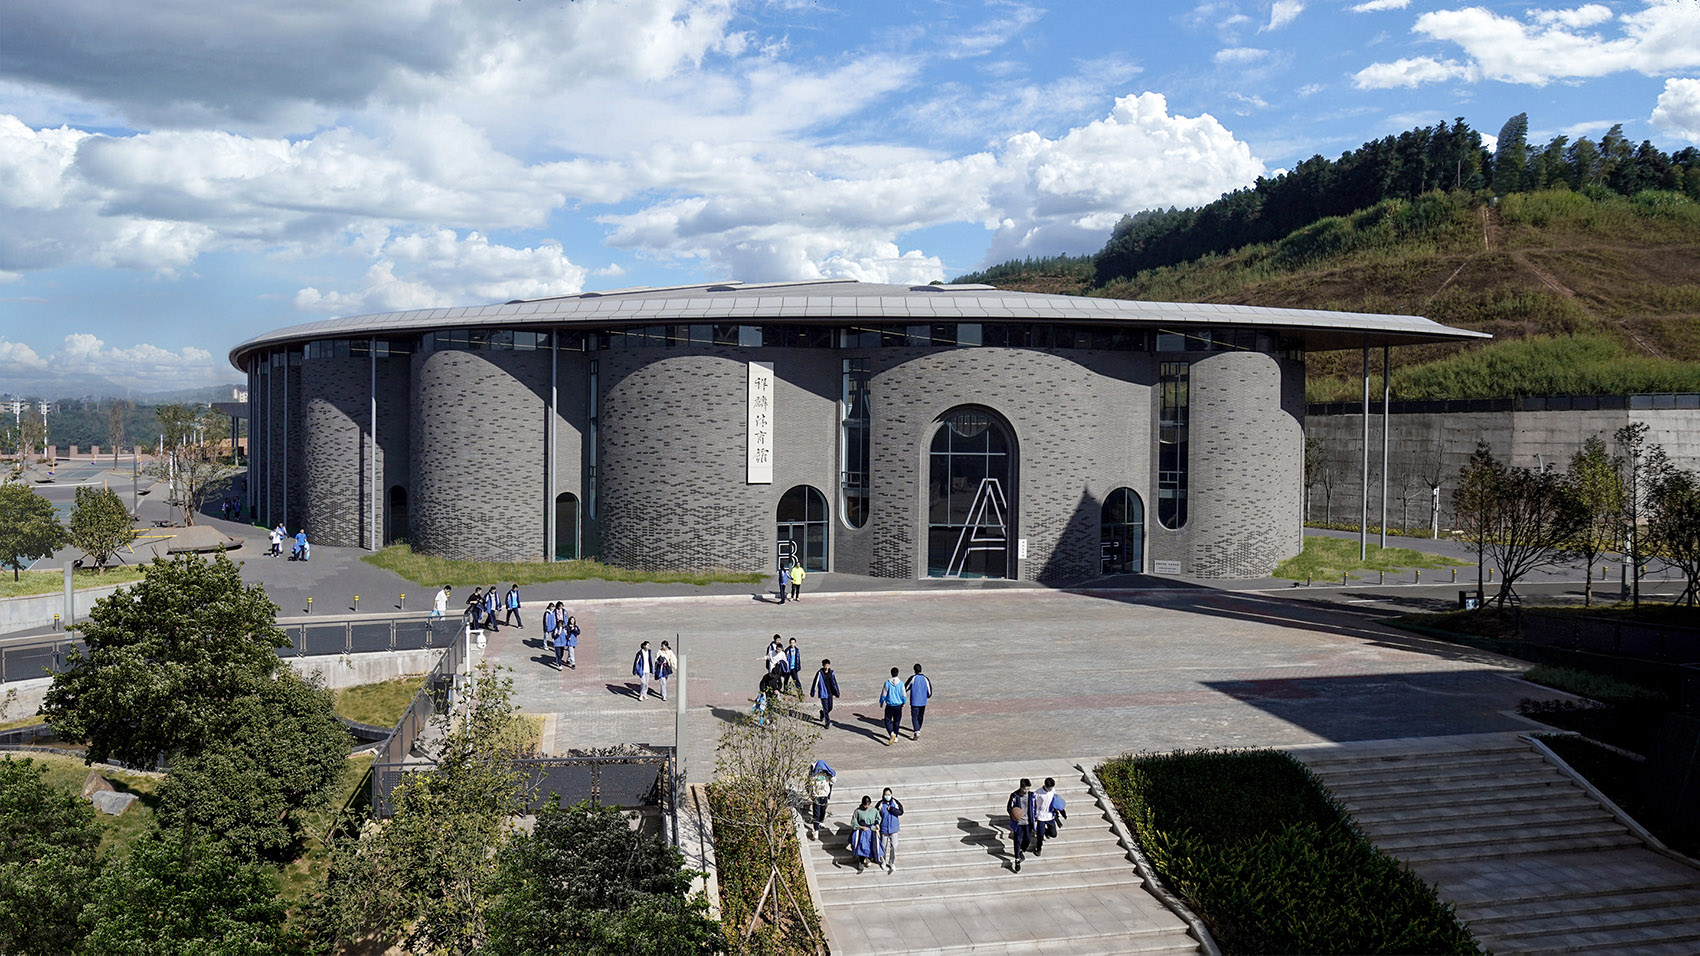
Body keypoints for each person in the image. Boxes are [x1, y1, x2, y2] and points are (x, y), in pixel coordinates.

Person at [1007, 778, 1036, 873]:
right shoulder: (1014, 795)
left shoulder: (1031, 795)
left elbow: (1034, 806)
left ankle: (1021, 851)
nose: (1026, 791)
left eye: (1028, 789)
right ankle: (1017, 860)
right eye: (1025, 789)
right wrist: (1013, 814)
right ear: (1021, 787)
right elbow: (1009, 807)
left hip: (1028, 822)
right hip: (1018, 823)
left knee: (1028, 839)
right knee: (1017, 841)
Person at [849, 795, 882, 873]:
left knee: (871, 846)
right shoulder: (858, 811)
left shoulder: (874, 810)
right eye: (865, 805)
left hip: (871, 831)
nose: (866, 806)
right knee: (861, 847)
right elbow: (854, 822)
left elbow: (878, 818)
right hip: (862, 832)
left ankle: (868, 858)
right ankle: (861, 861)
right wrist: (860, 827)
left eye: (868, 804)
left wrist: (877, 824)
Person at [876, 787, 904, 873]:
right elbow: (876, 815)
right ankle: (883, 861)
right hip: (884, 829)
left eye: (889, 794)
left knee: (894, 847)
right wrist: (877, 823)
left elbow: (901, 812)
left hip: (893, 829)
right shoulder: (880, 804)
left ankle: (892, 862)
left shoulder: (895, 802)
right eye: (886, 794)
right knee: (883, 847)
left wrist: (892, 809)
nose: (887, 796)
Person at [879, 667, 907, 746]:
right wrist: (904, 702)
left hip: (890, 705)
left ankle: (891, 733)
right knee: (897, 721)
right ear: (897, 673)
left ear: (891, 673)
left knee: (888, 720)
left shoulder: (887, 683)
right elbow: (904, 695)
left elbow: (883, 694)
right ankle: (896, 736)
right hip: (898, 705)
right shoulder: (901, 683)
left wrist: (881, 702)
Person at [904, 664, 933, 740]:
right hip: (923, 702)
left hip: (914, 702)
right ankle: (918, 728)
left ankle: (917, 730)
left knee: (914, 716)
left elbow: (905, 688)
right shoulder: (926, 679)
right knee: (920, 716)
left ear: (914, 670)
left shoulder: (913, 678)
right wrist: (926, 696)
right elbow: (929, 692)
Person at [808, 759, 836, 835]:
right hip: (816, 795)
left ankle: (821, 821)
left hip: (824, 795)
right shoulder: (813, 775)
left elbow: (833, 780)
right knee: (816, 812)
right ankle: (816, 829)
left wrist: (831, 776)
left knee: (823, 810)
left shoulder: (827, 774)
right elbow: (809, 784)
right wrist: (811, 793)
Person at [1032, 778, 1059, 858]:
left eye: (1051, 788)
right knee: (1040, 835)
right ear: (1045, 786)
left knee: (1053, 834)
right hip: (1041, 816)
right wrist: (1035, 815)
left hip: (1050, 816)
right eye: (1049, 788)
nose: (1051, 789)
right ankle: (1038, 849)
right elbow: (1034, 805)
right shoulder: (1038, 793)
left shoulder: (1053, 791)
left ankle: (1046, 832)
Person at [810, 659, 839, 727]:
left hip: (830, 693)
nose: (827, 667)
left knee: (830, 707)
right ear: (823, 666)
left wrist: (837, 692)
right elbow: (815, 682)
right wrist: (812, 692)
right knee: (825, 708)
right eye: (825, 665)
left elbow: (834, 683)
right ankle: (827, 723)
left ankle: (822, 713)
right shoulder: (819, 673)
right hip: (823, 693)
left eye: (828, 665)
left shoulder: (831, 673)